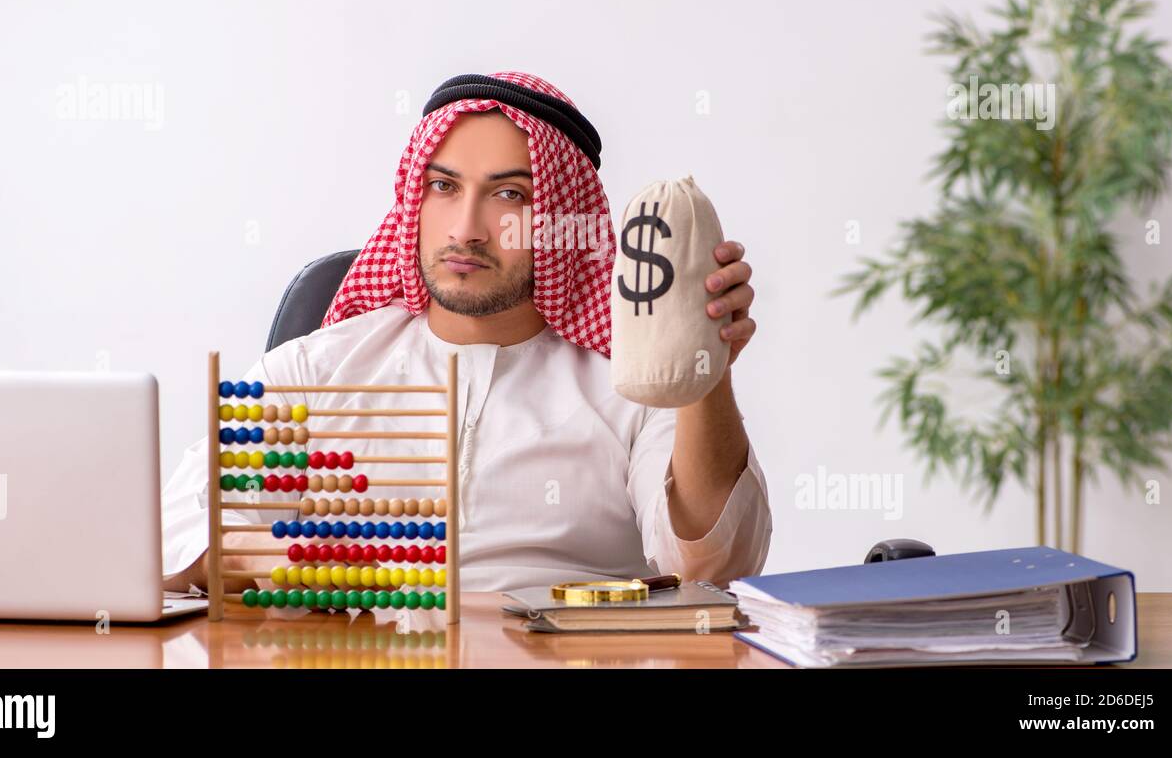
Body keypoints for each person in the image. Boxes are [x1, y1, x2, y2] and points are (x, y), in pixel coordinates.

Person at [161, 71, 771, 594]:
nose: (466, 228)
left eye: (509, 194)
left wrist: (700, 370)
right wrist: (305, 564)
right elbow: (179, 525)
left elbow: (710, 565)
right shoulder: (314, 371)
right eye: (443, 187)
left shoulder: (626, 385)